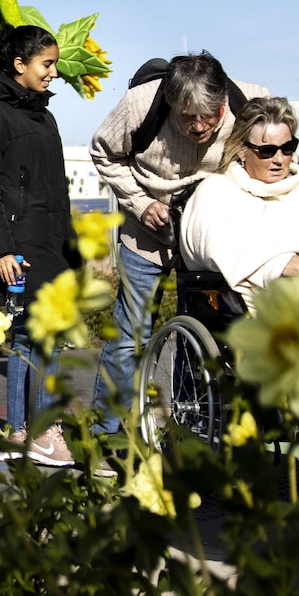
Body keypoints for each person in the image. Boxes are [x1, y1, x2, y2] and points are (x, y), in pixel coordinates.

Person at [89, 53, 268, 430]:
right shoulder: (141, 104)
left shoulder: (250, 103)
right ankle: (104, 433)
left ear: (223, 102)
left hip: (208, 236)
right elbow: (103, 153)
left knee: (202, 334)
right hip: (147, 232)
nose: (199, 126)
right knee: (130, 335)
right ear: (172, 103)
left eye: (210, 116)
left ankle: (193, 426)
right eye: (187, 116)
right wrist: (140, 203)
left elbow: (274, 149)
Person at [0, 24, 77, 467]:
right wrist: (1, 250)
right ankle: (45, 431)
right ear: (19, 64)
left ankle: (20, 433)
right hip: (19, 246)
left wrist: (71, 246)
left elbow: (56, 191)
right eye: (46, 64)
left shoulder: (43, 116)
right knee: (41, 337)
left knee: (29, 340)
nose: (54, 72)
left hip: (51, 243)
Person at [177, 97, 299, 301]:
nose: (279, 159)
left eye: (288, 147)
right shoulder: (216, 192)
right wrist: (284, 265)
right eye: (267, 151)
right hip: (255, 305)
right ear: (242, 150)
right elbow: (220, 248)